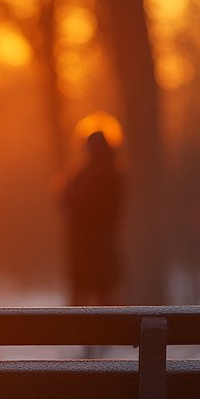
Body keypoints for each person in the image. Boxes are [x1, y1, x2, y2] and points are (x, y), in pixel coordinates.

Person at [60, 129, 123, 305]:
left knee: (86, 300)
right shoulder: (112, 170)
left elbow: (75, 201)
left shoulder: (95, 173)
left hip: (90, 247)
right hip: (100, 246)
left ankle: (78, 331)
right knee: (104, 297)